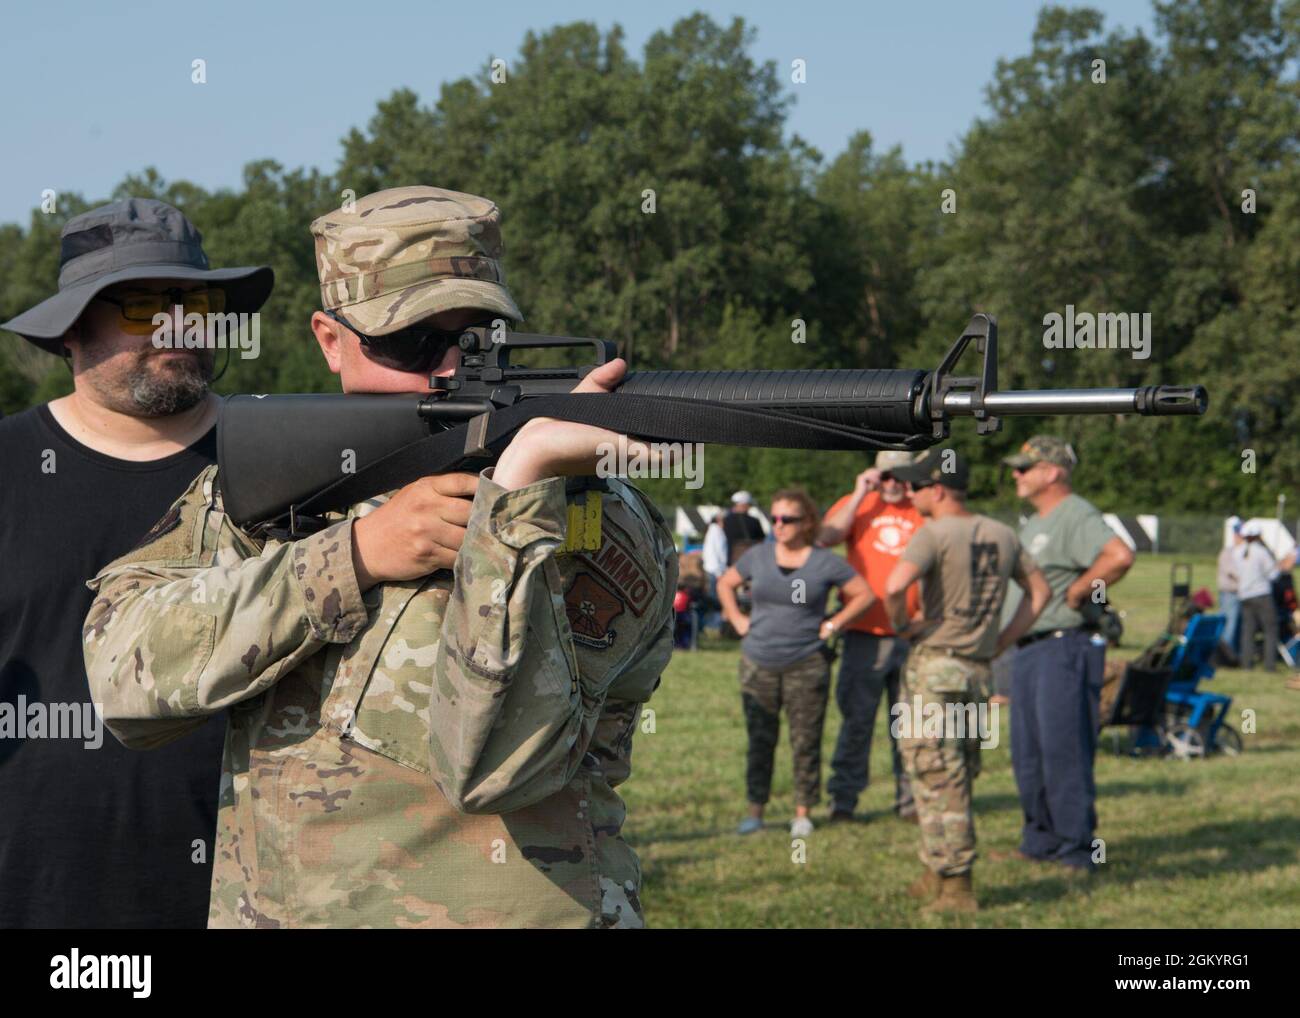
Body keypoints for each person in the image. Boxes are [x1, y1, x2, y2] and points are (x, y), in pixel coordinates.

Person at [82, 186, 676, 929]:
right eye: (411, 342)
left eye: (479, 337)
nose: (449, 369)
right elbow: (123, 682)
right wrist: (353, 555)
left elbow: (496, 766)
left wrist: (520, 499)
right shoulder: (272, 487)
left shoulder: (590, 514)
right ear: (330, 341)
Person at [0, 198, 273, 927]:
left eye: (197, 303)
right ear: (71, 328)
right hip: (36, 902)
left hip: (253, 897)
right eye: (147, 305)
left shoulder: (290, 465)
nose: (179, 324)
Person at [884, 449, 1049, 913]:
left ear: (937, 489)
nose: (911, 494)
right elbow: (1041, 593)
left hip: (936, 668)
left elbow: (895, 586)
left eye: (916, 486)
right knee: (958, 772)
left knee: (937, 773)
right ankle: (936, 867)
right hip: (978, 670)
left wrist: (904, 625)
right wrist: (1003, 640)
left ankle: (956, 886)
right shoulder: (1002, 534)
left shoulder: (932, 533)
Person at [1003, 436, 1134, 874]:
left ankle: (1077, 849)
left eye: (1025, 467)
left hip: (1064, 645)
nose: (1016, 474)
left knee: (1064, 750)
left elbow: (1118, 556)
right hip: (1031, 649)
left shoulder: (1075, 513)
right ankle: (1038, 840)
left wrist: (1082, 589)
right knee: (1028, 752)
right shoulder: (1037, 520)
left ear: (1053, 472)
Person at [716, 487, 874, 838]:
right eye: (774, 518)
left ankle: (803, 812)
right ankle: (755, 812)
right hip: (759, 662)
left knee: (805, 741)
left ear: (807, 523)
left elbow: (864, 594)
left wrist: (833, 623)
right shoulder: (758, 556)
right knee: (760, 740)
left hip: (807, 663)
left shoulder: (825, 561)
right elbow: (725, 583)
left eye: (788, 519)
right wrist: (738, 620)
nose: (779, 525)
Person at [818, 450, 923, 822]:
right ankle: (843, 801)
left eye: (900, 476)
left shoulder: (922, 504)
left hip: (912, 633)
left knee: (910, 724)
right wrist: (861, 492)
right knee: (856, 721)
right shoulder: (858, 503)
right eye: (885, 476)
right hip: (864, 633)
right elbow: (825, 537)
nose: (892, 484)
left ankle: (911, 801)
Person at [1237, 521, 1283, 672]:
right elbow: (1274, 574)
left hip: (1244, 596)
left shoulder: (1237, 551)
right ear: (1257, 536)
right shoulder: (1262, 552)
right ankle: (1269, 665)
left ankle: (1246, 664)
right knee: (1270, 629)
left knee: (1248, 631)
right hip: (1262, 595)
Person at [1217, 518, 1244, 663]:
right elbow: (1232, 572)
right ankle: (1225, 657)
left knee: (1236, 625)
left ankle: (1232, 653)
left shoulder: (1242, 552)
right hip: (1229, 594)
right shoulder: (1228, 552)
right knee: (1229, 626)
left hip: (1238, 593)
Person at [702, 511, 729, 630]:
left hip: (713, 569)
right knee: (715, 600)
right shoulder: (717, 531)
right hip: (715, 571)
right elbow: (716, 553)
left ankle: (712, 625)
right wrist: (720, 572)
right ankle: (713, 626)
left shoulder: (713, 531)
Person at [723, 490, 765, 564]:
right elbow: (761, 540)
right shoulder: (754, 521)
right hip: (751, 561)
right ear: (745, 505)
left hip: (732, 561)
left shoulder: (726, 520)